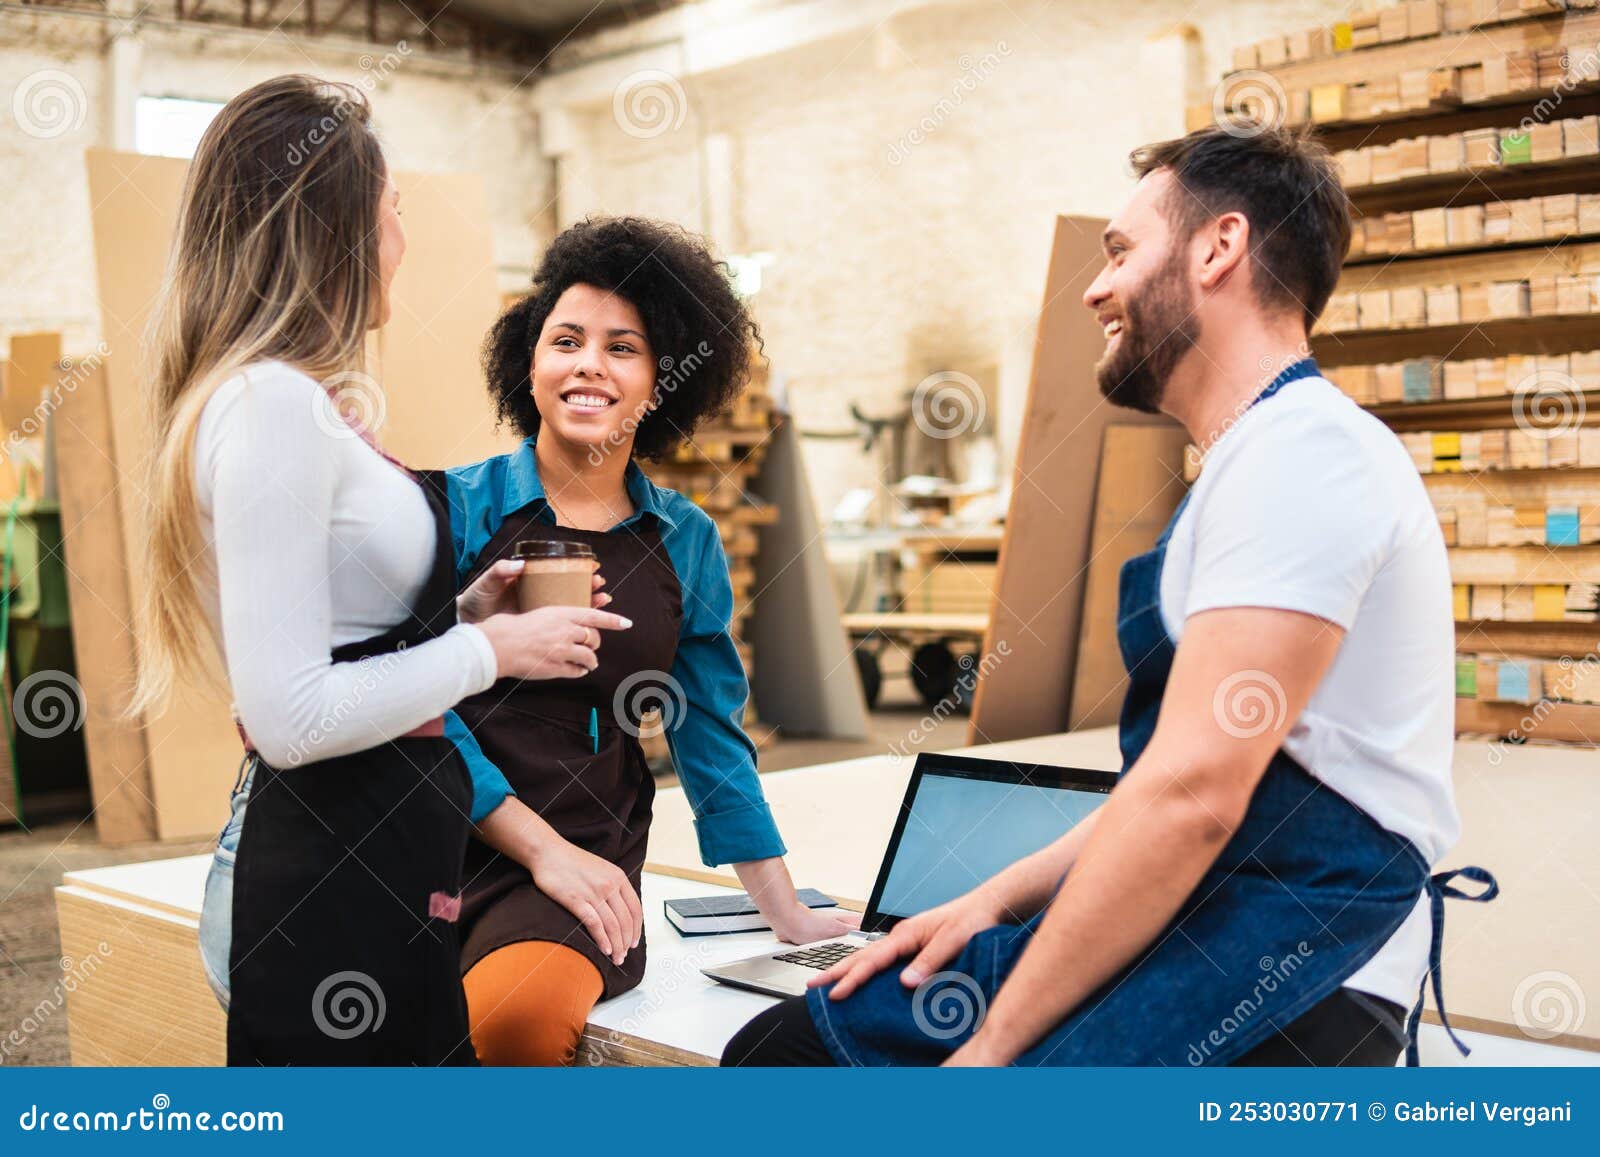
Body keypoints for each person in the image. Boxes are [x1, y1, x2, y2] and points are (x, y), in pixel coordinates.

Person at [723, 122, 1495, 1068]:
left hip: (1296, 964)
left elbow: (1191, 797)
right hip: (1215, 907)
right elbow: (1165, 782)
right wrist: (993, 898)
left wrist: (994, 1053)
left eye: (1122, 251)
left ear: (1220, 247)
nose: (1095, 287)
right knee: (796, 1037)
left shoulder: (1307, 456)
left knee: (808, 1061)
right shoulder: (1257, 457)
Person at [141, 75, 628, 1066]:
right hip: (333, 885)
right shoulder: (269, 405)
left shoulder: (298, 403)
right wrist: (489, 649)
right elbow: (291, 714)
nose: (404, 234)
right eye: (392, 208)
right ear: (337, 228)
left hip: (389, 870)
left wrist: (462, 613)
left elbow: (340, 637)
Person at [443, 216, 857, 1065]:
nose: (590, 363)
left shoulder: (686, 540)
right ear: (530, 362)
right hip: (433, 835)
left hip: (579, 871)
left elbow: (710, 732)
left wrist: (785, 910)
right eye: (566, 339)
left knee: (515, 1021)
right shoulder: (454, 507)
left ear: (660, 384)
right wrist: (535, 845)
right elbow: (407, 700)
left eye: (622, 347)